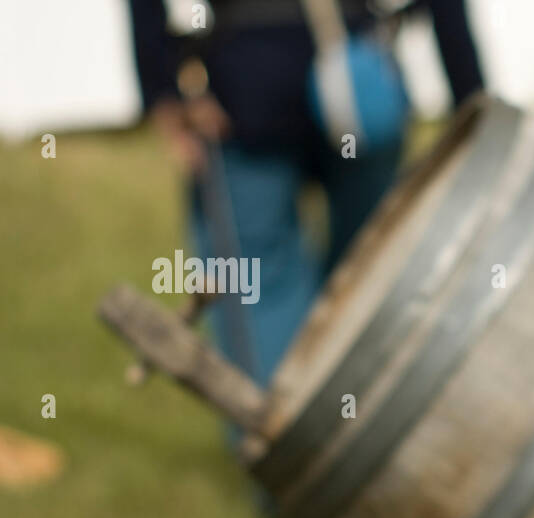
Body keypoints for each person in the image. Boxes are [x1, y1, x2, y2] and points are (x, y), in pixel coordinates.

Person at [129, 0, 485, 386]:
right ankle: (350, 417)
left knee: (264, 284)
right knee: (366, 267)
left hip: (254, 83)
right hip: (358, 83)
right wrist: (470, 95)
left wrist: (163, 90)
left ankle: (281, 427)